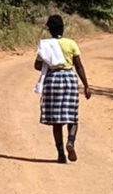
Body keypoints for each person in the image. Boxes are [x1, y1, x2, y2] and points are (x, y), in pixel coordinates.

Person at [34, 14, 92, 163]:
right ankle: (71, 141)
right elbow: (78, 66)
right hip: (69, 79)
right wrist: (86, 85)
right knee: (72, 116)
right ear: (63, 28)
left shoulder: (46, 45)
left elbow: (37, 65)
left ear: (49, 29)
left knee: (57, 120)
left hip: (53, 80)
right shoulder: (71, 43)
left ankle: (60, 153)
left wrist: (49, 62)